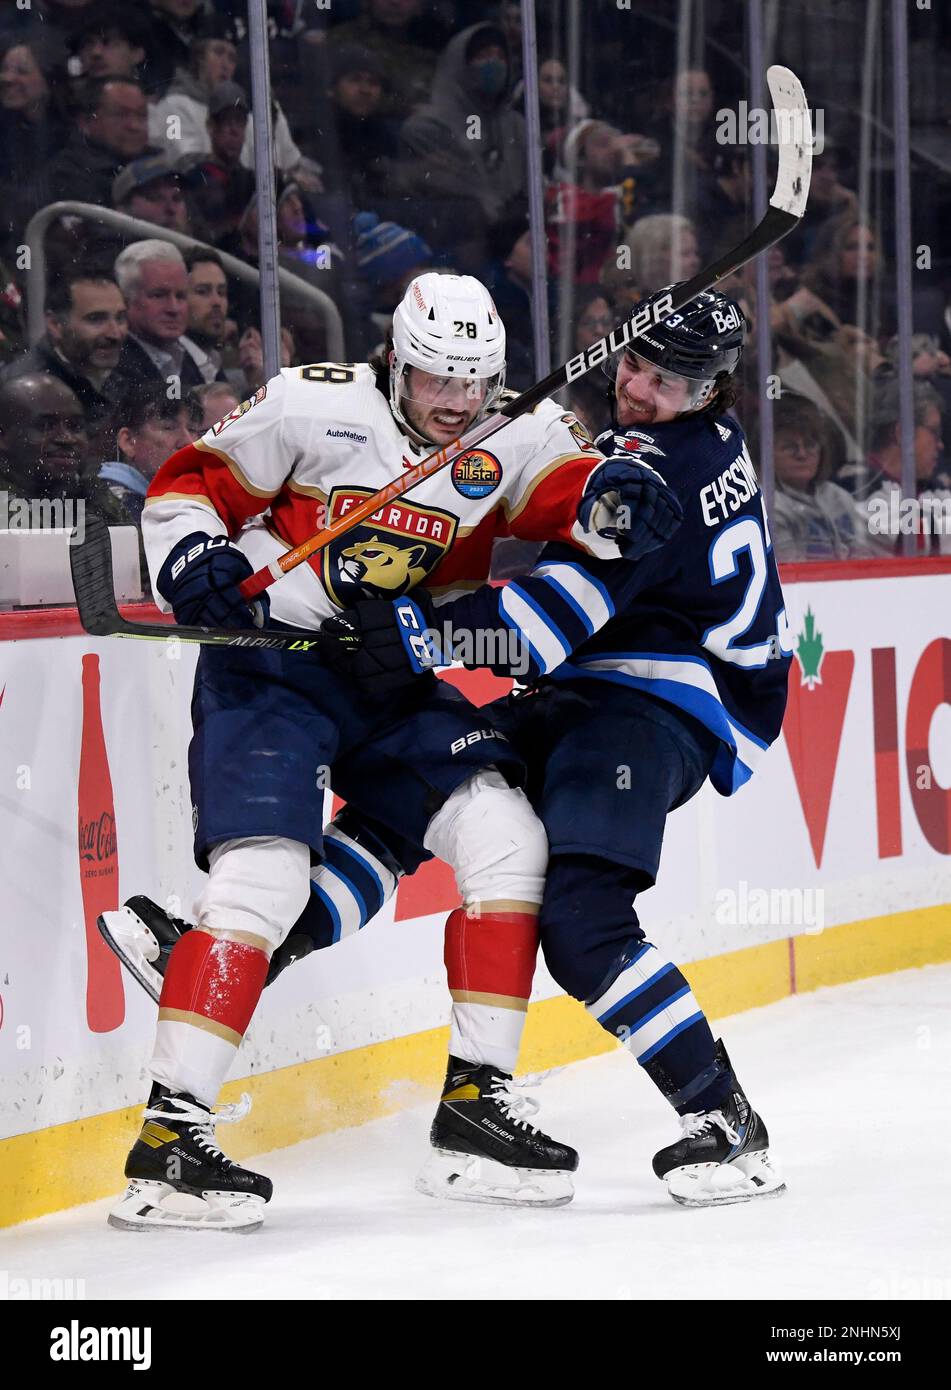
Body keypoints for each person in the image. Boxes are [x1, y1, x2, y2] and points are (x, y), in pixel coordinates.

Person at [106, 288, 790, 1212]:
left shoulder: (542, 437)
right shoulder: (315, 404)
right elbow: (193, 479)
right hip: (282, 664)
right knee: (293, 865)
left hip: (595, 693)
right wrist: (191, 556)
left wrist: (601, 496)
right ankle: (175, 1130)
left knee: (541, 875)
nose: (458, 401)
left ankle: (521, 1106)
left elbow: (565, 529)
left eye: (476, 381)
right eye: (436, 376)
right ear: (394, 359)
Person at [1, 270, 127, 435]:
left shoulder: (123, 370)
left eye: (120, 318)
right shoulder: (21, 391)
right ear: (55, 324)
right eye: (96, 319)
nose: (115, 333)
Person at [109, 240, 227, 400]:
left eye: (181, 296)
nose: (174, 309)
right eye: (158, 295)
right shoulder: (112, 363)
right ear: (126, 299)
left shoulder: (194, 362)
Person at [766, 393, 871, 562]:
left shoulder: (837, 496)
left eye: (810, 445)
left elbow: (862, 556)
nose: (802, 454)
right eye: (789, 447)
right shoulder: (768, 503)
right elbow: (791, 570)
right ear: (765, 454)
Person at [99, 381, 192, 520]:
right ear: (129, 441)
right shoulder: (113, 505)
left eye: (191, 429)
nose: (188, 442)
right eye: (169, 427)